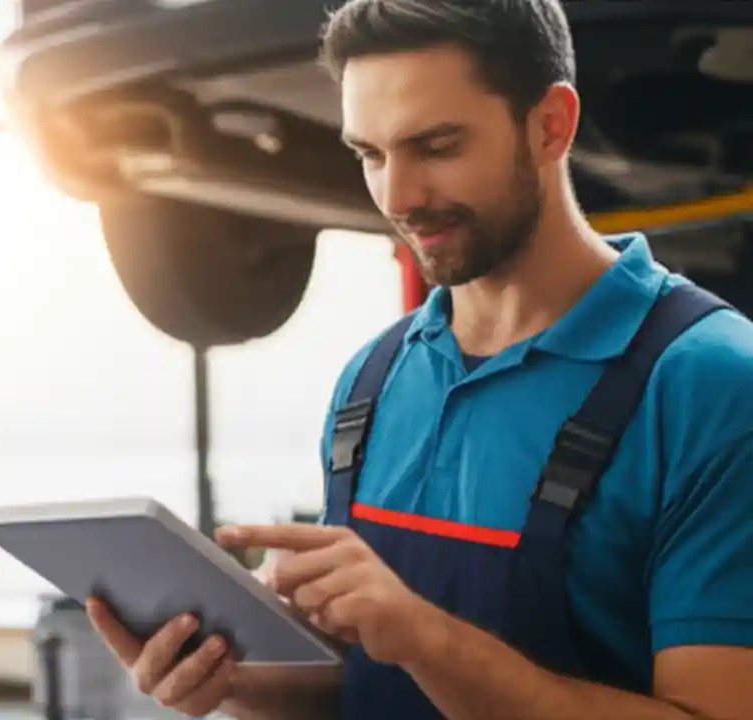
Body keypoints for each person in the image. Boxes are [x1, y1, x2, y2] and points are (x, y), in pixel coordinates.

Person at [85, 1, 753, 718]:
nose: (398, 197)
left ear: (551, 125)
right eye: (370, 155)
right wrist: (235, 681)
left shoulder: (709, 386)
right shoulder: (373, 383)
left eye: (436, 146)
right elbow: (370, 686)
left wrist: (425, 638)